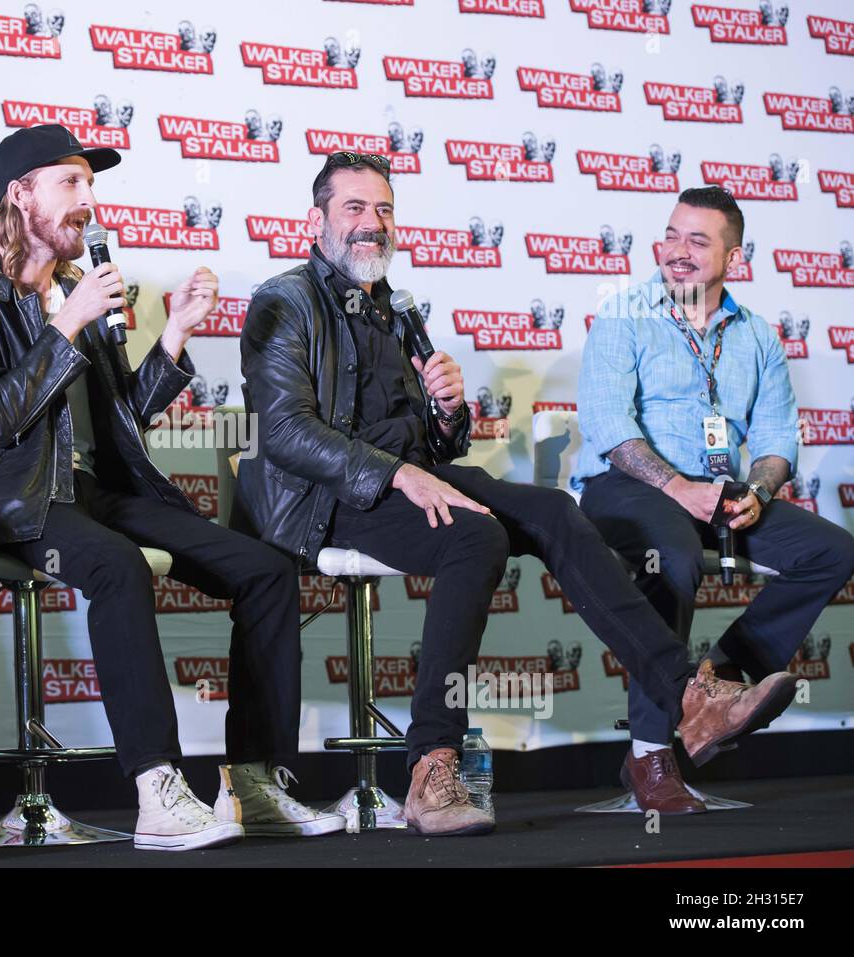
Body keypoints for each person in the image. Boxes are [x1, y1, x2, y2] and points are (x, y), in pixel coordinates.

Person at [235, 153, 801, 834]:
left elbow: (439, 446)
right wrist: (396, 471)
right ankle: (431, 766)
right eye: (354, 207)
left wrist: (445, 411)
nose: (372, 223)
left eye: (383, 209)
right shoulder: (285, 299)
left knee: (553, 509)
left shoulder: (394, 305)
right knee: (478, 535)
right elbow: (287, 431)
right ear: (316, 220)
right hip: (324, 500)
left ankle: (690, 694)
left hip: (405, 479)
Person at [0, 124, 344, 851]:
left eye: (91, 184)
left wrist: (171, 336)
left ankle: (255, 781)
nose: (89, 200)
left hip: (86, 489)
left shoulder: (76, 287)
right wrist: (67, 328)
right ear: (20, 195)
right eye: (71, 183)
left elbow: (121, 421)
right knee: (117, 565)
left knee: (265, 569)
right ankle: (157, 789)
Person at [574, 187, 854, 809]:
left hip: (720, 493)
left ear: (734, 254)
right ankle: (650, 755)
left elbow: (779, 435)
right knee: (670, 558)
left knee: (831, 551)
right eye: (671, 235)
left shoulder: (756, 335)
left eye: (697, 241)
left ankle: (717, 684)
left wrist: (757, 490)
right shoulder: (623, 316)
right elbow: (606, 424)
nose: (678, 251)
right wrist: (677, 488)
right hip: (631, 486)